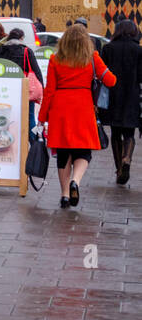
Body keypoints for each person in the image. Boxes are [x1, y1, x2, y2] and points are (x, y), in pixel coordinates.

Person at [40, 24, 116, 209]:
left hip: (60, 107)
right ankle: (76, 180)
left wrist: (43, 116)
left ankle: (65, 195)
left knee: (63, 152)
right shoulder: (92, 58)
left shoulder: (55, 59)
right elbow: (111, 80)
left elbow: (49, 91)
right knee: (83, 150)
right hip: (83, 106)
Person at [101, 19, 142, 185]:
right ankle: (127, 158)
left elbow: (103, 74)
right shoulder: (139, 50)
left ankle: (119, 169)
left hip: (113, 97)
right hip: (132, 96)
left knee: (116, 133)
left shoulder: (108, 49)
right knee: (130, 133)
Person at [0, 27, 44, 134]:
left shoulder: (1, 50)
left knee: (8, 116)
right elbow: (36, 70)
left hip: (5, 91)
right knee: (29, 118)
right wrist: (41, 86)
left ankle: (9, 139)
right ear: (21, 38)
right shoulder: (26, 51)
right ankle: (34, 143)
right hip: (25, 90)